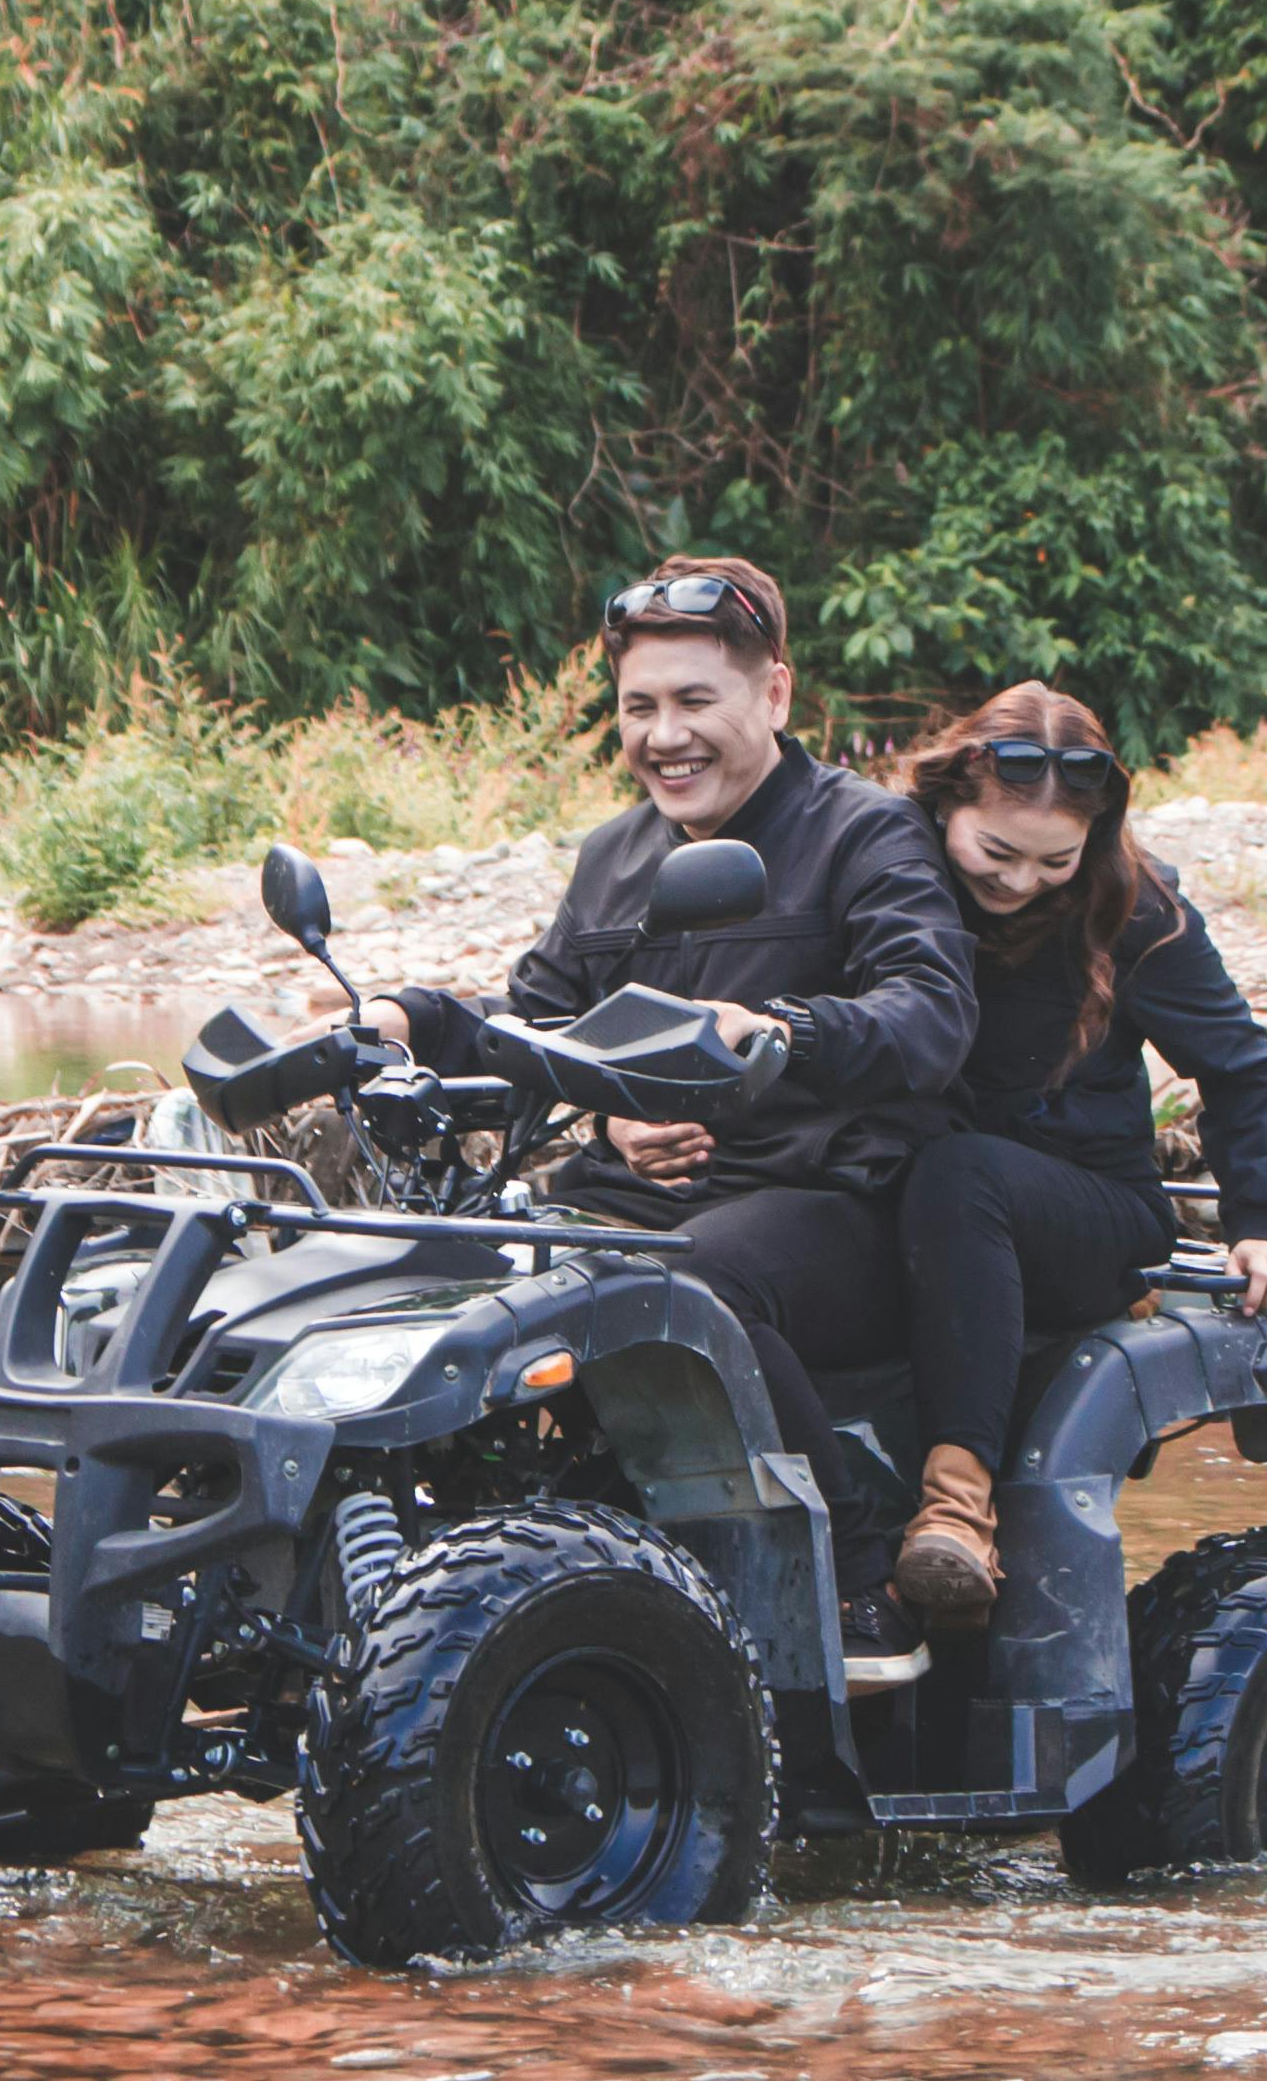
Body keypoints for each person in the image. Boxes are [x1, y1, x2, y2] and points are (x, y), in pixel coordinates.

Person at [356, 557, 974, 1629]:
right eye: (640, 707)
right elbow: (532, 1024)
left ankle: (858, 1577)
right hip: (639, 1203)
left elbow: (932, 1015)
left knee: (691, 1285)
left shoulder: (863, 834)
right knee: (434, 1278)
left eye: (697, 700)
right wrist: (406, 1022)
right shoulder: (615, 857)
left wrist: (783, 1031)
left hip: (828, 1201)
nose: (665, 735)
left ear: (773, 693)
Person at [885, 684, 1267, 1629]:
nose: (1020, 882)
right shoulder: (889, 863)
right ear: (948, 801)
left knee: (965, 1174)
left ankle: (959, 1509)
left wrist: (1266, 1225)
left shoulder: (1133, 905)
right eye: (995, 852)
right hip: (922, 1180)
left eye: (1053, 860)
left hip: (1087, 1207)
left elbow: (1241, 1068)